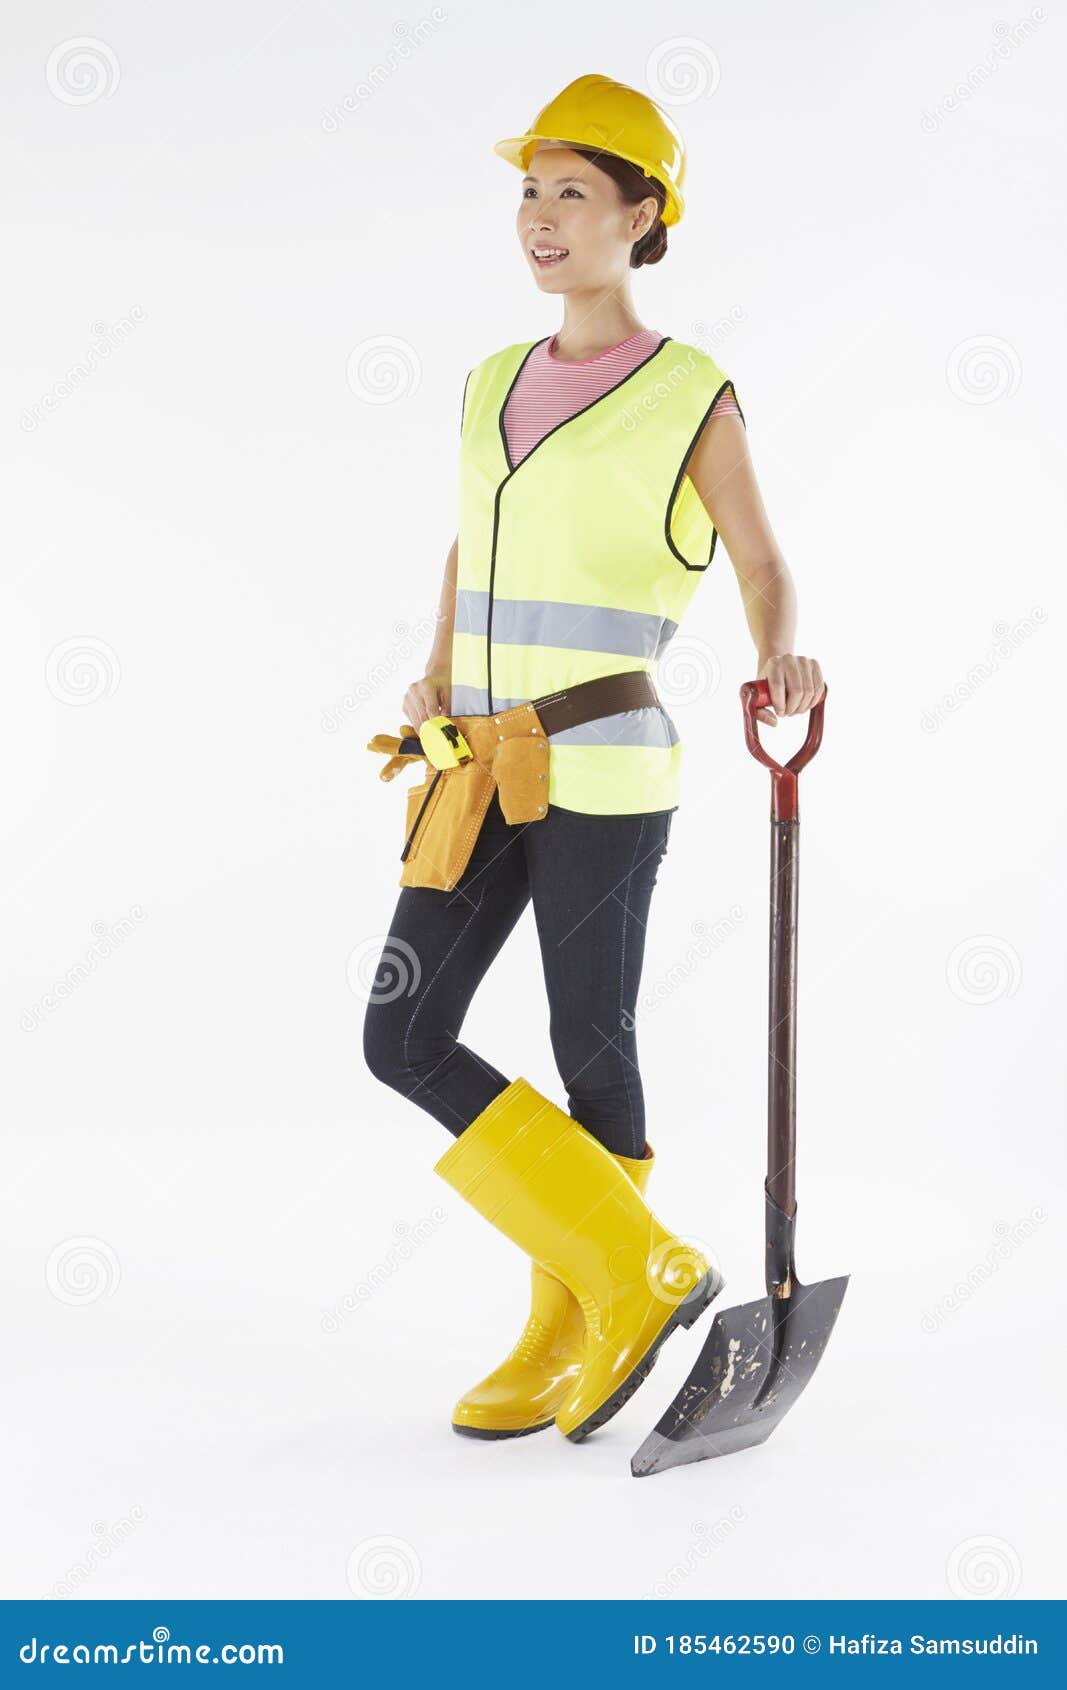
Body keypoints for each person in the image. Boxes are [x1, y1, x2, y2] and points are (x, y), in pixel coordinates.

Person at [363, 73, 825, 1446]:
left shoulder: (690, 394)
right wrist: (437, 665)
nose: (542, 217)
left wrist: (782, 656)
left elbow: (761, 561)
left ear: (642, 216)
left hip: (605, 765)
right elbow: (471, 541)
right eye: (529, 191)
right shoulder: (488, 382)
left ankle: (580, 1315)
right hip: (476, 759)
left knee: (591, 1040)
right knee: (400, 1033)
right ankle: (630, 1271)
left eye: (574, 192)